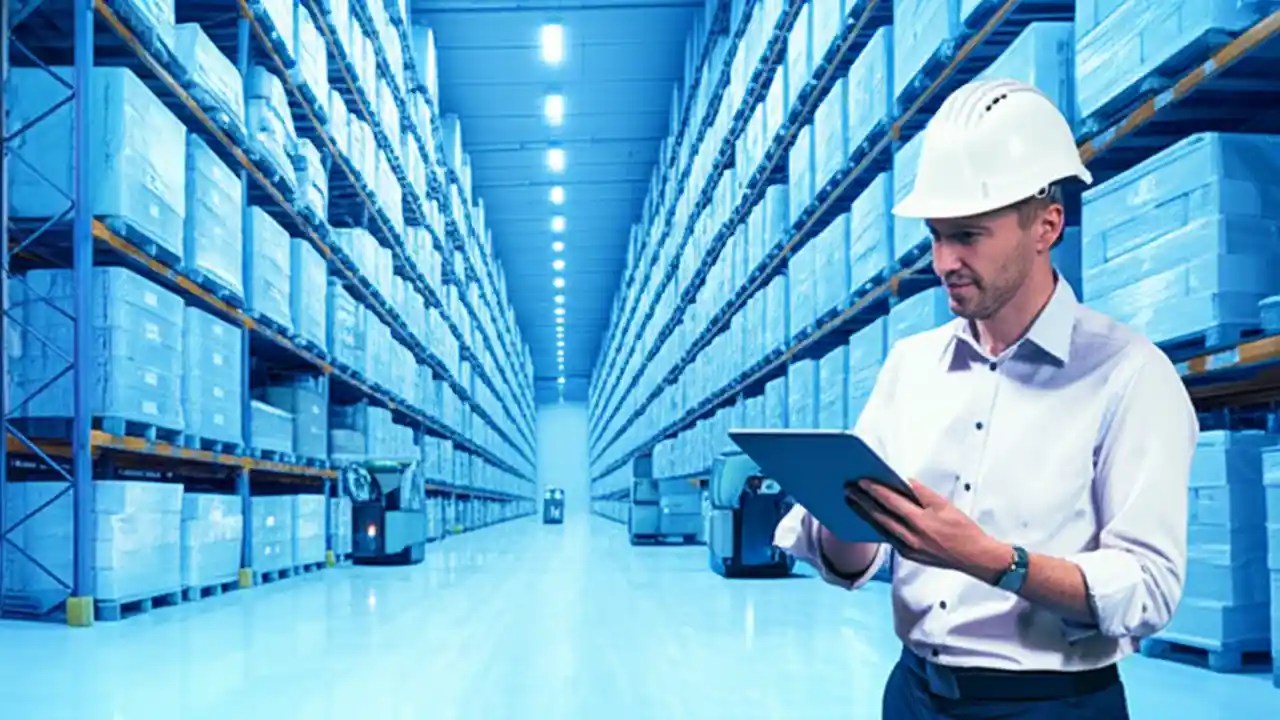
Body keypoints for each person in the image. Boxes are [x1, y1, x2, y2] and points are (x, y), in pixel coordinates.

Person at [773, 78, 1199, 719]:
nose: (944, 261)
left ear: (1045, 225)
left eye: (968, 235)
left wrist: (992, 561)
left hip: (1051, 706)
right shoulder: (910, 367)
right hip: (914, 695)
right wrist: (843, 523)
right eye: (936, 236)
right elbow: (852, 562)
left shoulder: (1131, 375)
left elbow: (1149, 587)